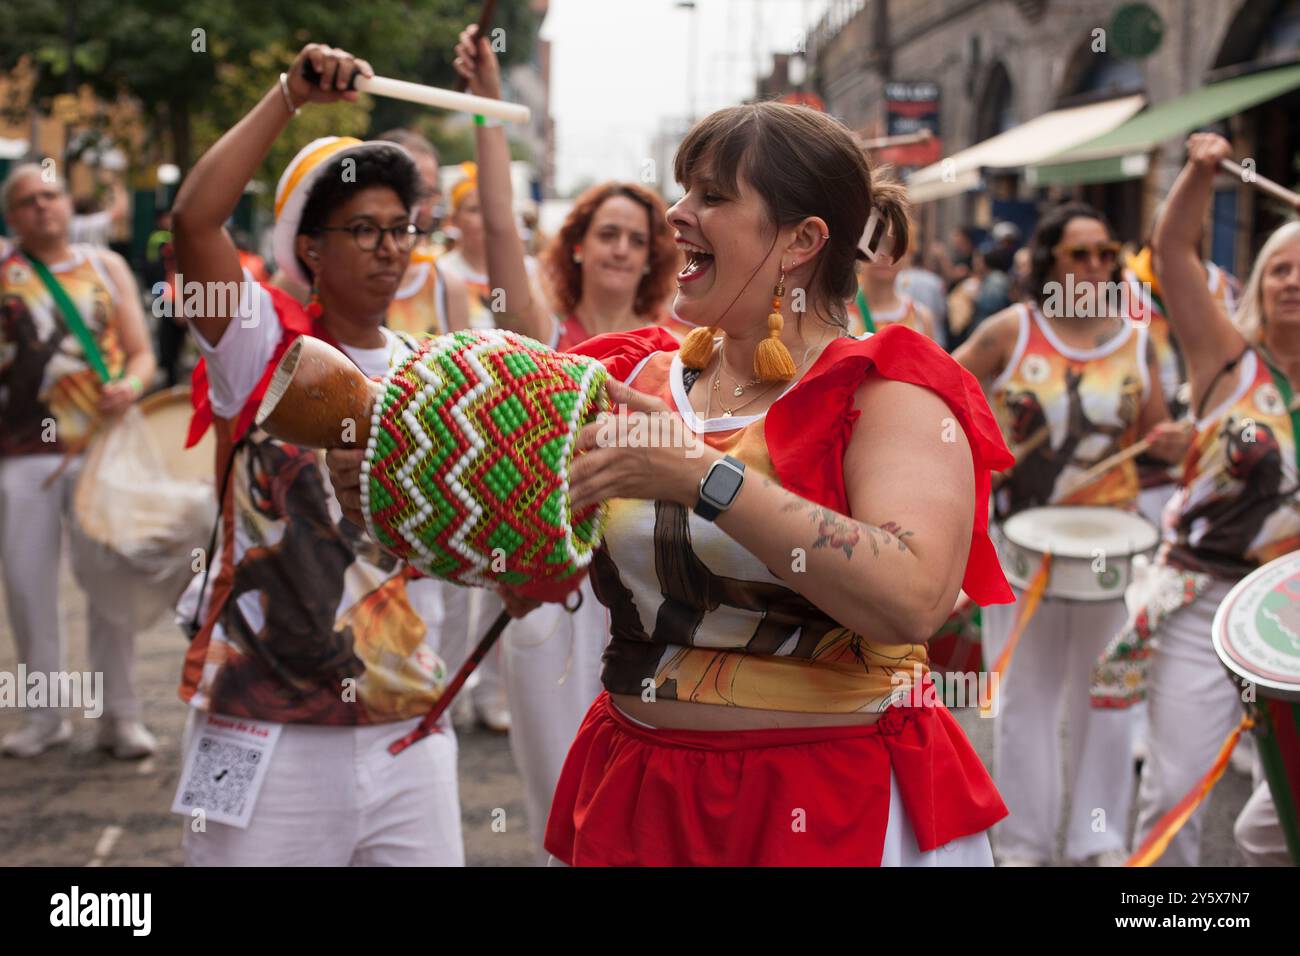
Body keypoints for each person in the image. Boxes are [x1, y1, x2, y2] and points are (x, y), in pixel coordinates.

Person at [334, 51, 1015, 864]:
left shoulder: (891, 391)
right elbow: (530, 587)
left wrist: (700, 476)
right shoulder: (634, 376)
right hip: (641, 798)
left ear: (801, 240)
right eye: (685, 189)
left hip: (826, 805)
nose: (676, 213)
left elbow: (911, 599)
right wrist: (393, 489)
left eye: (713, 198)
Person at [169, 43, 462, 865]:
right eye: (362, 229)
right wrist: (286, 99)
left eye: (400, 228)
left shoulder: (434, 370)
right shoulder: (259, 351)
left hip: (410, 728)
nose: (388, 248)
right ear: (310, 249)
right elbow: (195, 220)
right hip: (261, 728)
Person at [444, 25, 685, 861]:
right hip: (553, 590)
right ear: (578, 242)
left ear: (654, 255)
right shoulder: (545, 336)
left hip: (651, 592)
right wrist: (486, 103)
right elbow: (501, 225)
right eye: (607, 233)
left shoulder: (677, 352)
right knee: (564, 811)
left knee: (638, 804)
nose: (621, 248)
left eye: (638, 237)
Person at [953, 201, 1186, 866]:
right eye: (1079, 254)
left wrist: (1171, 442)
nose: (1097, 266)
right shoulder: (1012, 331)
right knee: (1024, 696)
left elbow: (1155, 443)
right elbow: (935, 388)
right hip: (1019, 543)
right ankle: (1024, 842)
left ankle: (1098, 836)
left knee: (1107, 693)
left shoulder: (1138, 340)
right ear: (1048, 262)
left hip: (1112, 543)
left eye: (1107, 253)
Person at [1100, 132, 1300, 866]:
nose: (1290, 281)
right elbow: (1174, 248)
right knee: (1178, 785)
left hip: (1296, 611)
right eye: (1277, 269)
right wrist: (1197, 171)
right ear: (1257, 288)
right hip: (1207, 598)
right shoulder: (1225, 363)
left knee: (1278, 817)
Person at [0, 162, 157, 759]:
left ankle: (120, 713)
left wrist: (133, 386)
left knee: (110, 580)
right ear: (12, 217)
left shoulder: (107, 267)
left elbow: (140, 354)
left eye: (50, 195)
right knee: (27, 585)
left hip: (101, 447)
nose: (42, 207)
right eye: (27, 201)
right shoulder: (5, 272)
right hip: (21, 452)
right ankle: (45, 716)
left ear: (68, 204)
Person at [849, 215, 938, 340]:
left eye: (895, 247)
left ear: (909, 255)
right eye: (875, 245)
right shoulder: (837, 315)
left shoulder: (921, 318)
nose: (885, 254)